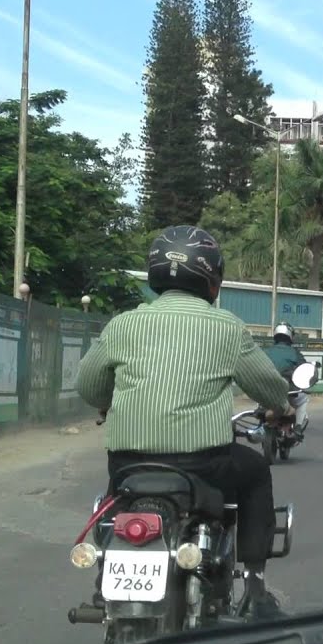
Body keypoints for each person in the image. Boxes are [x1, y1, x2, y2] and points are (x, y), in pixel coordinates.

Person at [76, 225, 292, 620]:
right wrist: (282, 408)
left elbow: (89, 387)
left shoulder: (122, 325)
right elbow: (270, 389)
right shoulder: (227, 327)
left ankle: (105, 574)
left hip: (129, 463)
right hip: (203, 465)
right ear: (213, 279)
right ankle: (255, 585)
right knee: (257, 470)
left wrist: (110, 403)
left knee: (115, 495)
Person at [262, 322, 308, 438]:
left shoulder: (265, 352)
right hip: (288, 390)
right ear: (290, 336)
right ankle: (297, 427)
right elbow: (304, 370)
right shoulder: (295, 353)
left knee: (260, 403)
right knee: (303, 399)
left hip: (266, 389)